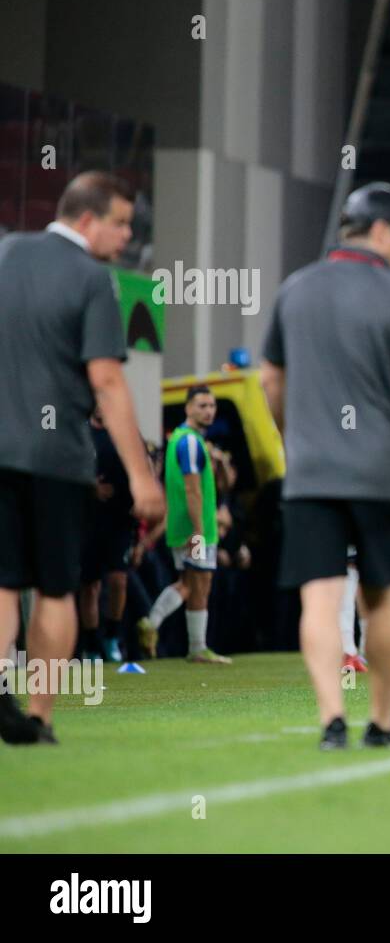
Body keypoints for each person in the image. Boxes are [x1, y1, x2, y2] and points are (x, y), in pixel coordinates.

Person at [261, 181, 390, 750]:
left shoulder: (295, 288)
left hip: (312, 471)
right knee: (381, 597)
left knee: (319, 597)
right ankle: (383, 722)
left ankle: (330, 720)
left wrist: (298, 438)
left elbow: (270, 379)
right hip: (380, 470)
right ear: (383, 230)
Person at [0, 171, 165, 745]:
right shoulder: (93, 279)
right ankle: (41, 716)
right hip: (56, 458)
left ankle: (1, 689)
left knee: (2, 584)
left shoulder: (5, 253)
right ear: (89, 218)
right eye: (121, 223)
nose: (127, 237)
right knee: (54, 588)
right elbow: (108, 381)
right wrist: (142, 478)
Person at [138, 386, 231, 664]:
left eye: (212, 406)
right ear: (188, 407)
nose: (208, 411)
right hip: (194, 527)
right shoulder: (189, 442)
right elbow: (192, 490)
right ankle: (161, 628)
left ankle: (188, 643)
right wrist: (199, 531)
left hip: (185, 525)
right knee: (199, 582)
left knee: (190, 582)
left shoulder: (183, 439)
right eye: (202, 405)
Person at [76, 408, 141, 663]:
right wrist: (91, 487)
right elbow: (65, 468)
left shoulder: (125, 430)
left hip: (120, 520)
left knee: (118, 580)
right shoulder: (81, 432)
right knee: (90, 585)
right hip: (89, 521)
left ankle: (112, 637)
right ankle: (92, 646)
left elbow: (142, 465)